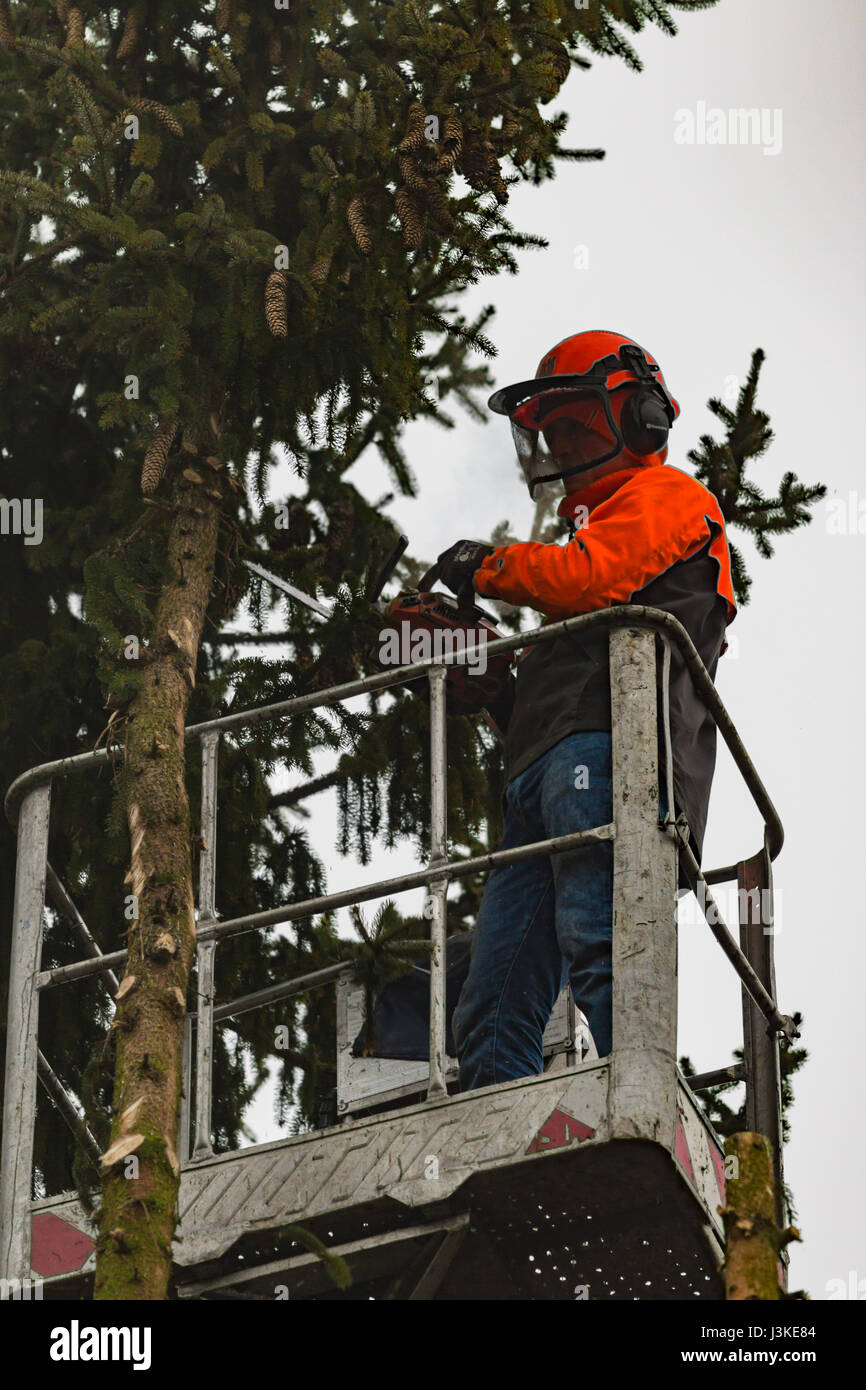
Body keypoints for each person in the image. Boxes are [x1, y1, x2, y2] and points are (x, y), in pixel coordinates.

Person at [429, 330, 737, 1091]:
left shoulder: (669, 500)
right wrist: (498, 685)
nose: (558, 439)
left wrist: (487, 564)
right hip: (546, 771)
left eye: (573, 420)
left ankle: (641, 1096)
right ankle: (489, 1129)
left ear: (637, 420)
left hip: (613, 760)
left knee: (602, 939)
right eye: (549, 428)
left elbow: (591, 580)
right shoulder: (597, 533)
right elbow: (572, 666)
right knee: (494, 992)